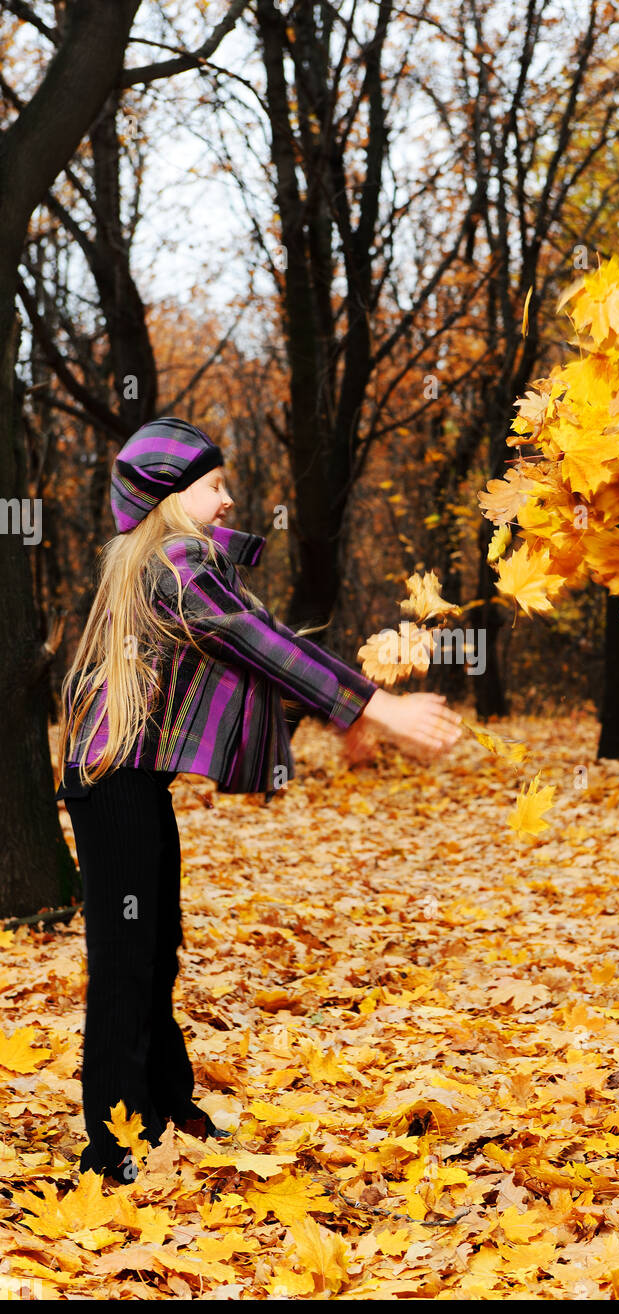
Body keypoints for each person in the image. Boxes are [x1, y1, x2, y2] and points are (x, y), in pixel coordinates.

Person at [55, 416, 462, 1183]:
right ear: (173, 497)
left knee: (155, 942)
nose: (229, 497)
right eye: (214, 485)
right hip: (112, 786)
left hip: (125, 783)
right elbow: (258, 642)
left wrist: (344, 716)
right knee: (125, 960)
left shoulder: (165, 563)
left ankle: (162, 1104)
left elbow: (259, 646)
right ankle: (111, 1151)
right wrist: (377, 708)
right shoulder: (174, 564)